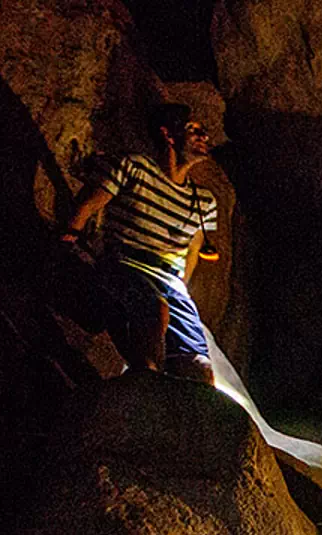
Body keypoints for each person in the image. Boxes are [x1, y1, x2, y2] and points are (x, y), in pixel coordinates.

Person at [58, 102, 219, 384]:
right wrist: (67, 240)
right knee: (154, 311)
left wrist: (181, 286)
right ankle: (146, 386)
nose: (204, 137)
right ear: (169, 135)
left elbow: (193, 249)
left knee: (199, 369)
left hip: (169, 281)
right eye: (194, 131)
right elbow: (90, 204)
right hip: (124, 264)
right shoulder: (133, 167)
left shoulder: (203, 201)